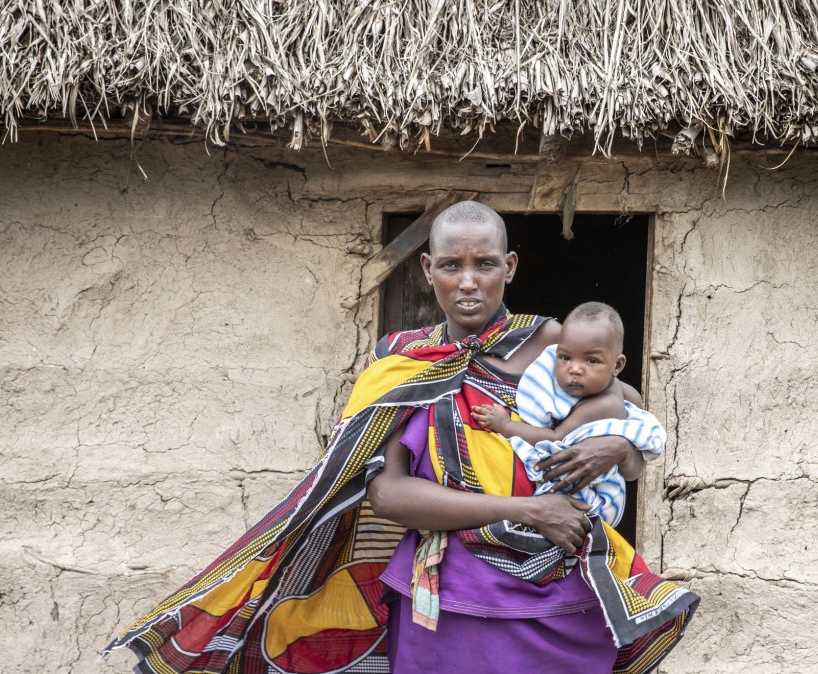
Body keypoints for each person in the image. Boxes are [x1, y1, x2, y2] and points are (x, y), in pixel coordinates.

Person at [104, 201, 697, 674]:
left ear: (510, 267)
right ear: (427, 269)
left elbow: (632, 447)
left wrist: (618, 448)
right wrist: (526, 508)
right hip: (446, 592)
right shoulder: (400, 364)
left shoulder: (556, 346)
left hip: (561, 585)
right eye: (452, 266)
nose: (469, 282)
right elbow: (387, 495)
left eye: (485, 264)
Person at [472, 301, 666, 527]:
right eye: (565, 357)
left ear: (617, 365)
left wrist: (505, 426)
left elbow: (556, 437)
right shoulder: (620, 391)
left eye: (591, 361)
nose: (575, 369)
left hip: (593, 503)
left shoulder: (604, 404)